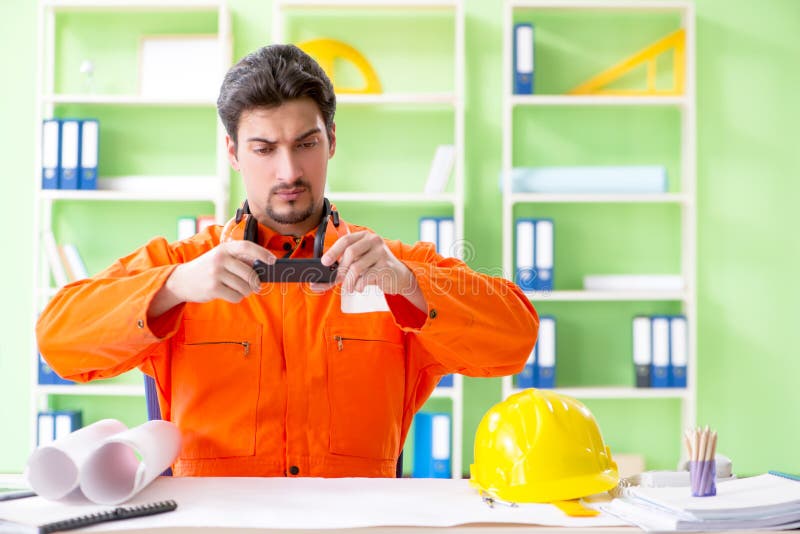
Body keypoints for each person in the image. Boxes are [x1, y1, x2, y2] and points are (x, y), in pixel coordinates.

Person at [36, 44, 539, 478]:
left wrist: (409, 284)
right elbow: (57, 339)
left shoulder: (396, 269)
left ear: (332, 142)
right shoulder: (182, 265)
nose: (289, 170)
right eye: (264, 148)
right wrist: (173, 287)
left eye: (306, 144)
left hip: (357, 523)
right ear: (233, 152)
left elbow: (516, 340)